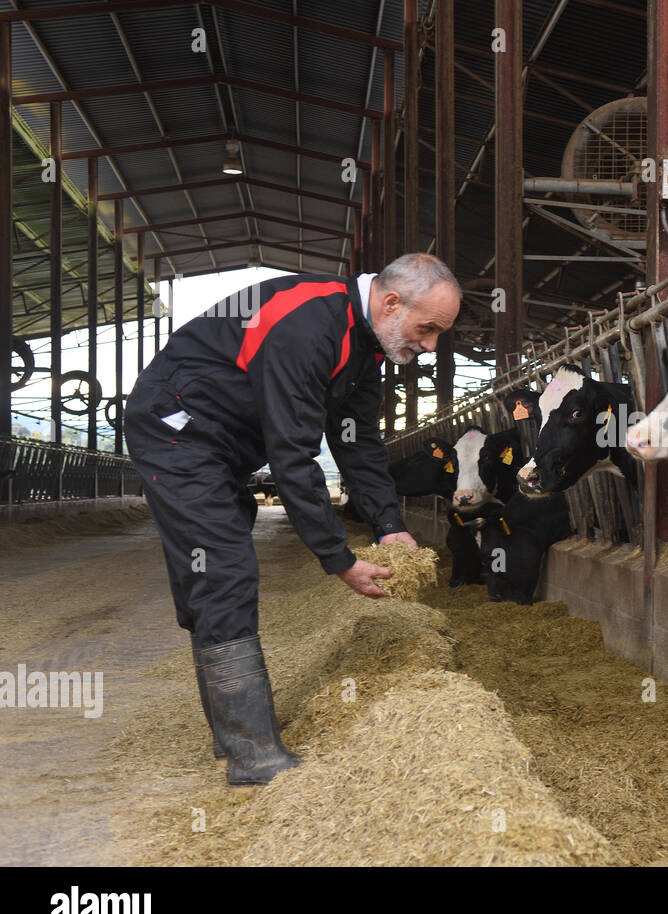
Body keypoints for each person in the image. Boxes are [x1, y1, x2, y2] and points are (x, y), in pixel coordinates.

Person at [125, 253, 460, 785]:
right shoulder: (307, 322)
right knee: (225, 571)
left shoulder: (365, 348)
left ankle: (234, 732)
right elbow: (292, 454)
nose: (429, 345)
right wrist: (338, 559)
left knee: (214, 575)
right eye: (428, 329)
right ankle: (252, 756)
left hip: (225, 448)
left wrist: (388, 525)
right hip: (178, 432)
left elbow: (360, 445)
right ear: (391, 302)